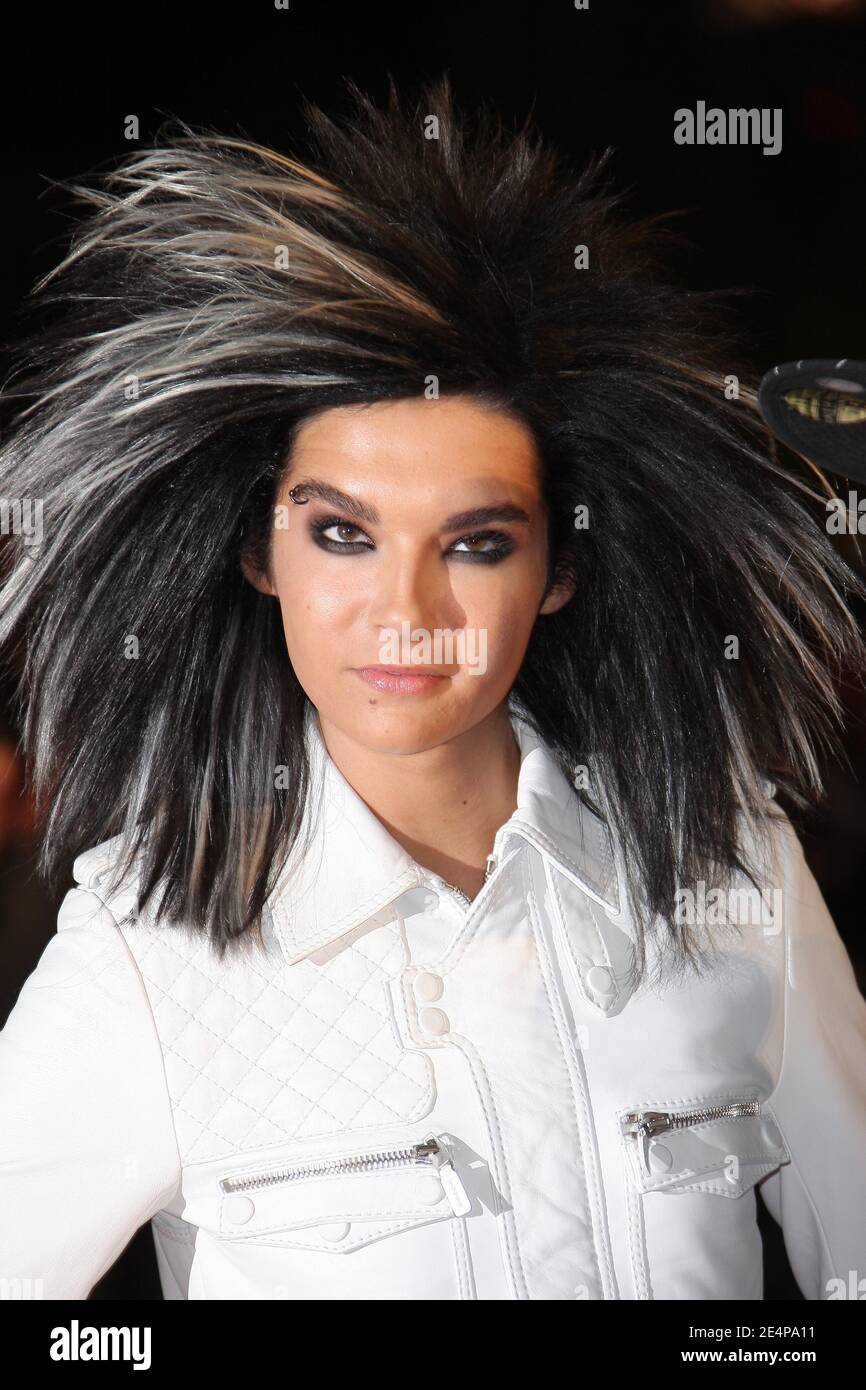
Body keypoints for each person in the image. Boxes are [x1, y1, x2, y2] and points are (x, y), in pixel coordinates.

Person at [0, 75, 864, 1301]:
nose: (404, 609)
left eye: (476, 543)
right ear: (258, 554)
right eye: (342, 534)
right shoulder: (151, 951)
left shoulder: (730, 870)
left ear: (559, 569)